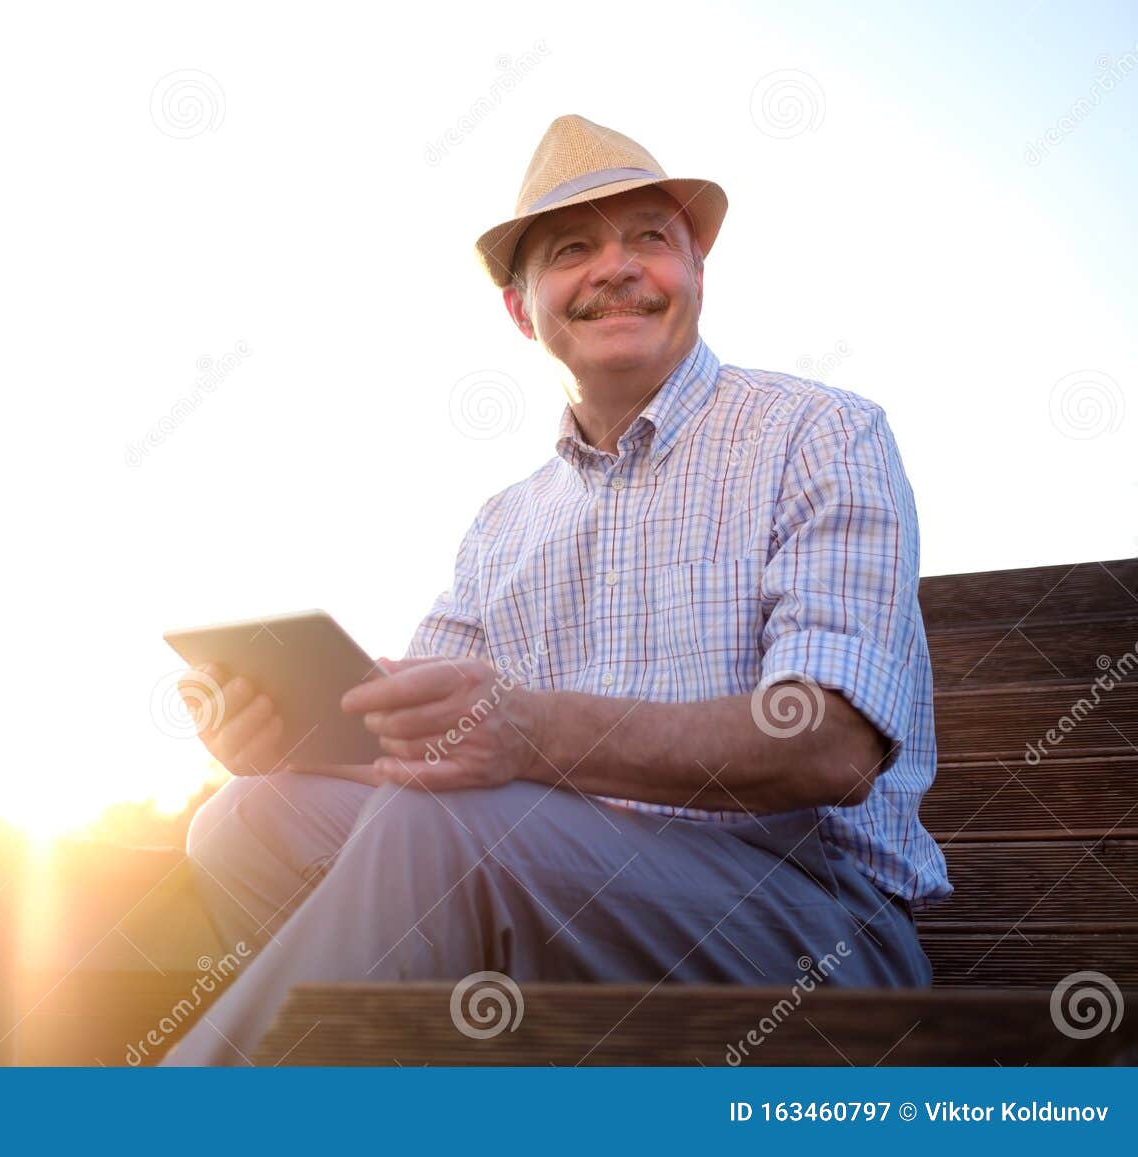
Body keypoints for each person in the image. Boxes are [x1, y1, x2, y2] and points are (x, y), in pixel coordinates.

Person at [159, 114, 951, 1066]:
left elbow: (831, 741)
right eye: (572, 249)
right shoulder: (504, 523)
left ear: (696, 270)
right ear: (521, 309)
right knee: (247, 819)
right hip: (557, 907)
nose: (616, 267)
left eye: (650, 238)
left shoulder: (820, 433)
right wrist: (290, 739)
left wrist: (530, 731)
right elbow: (427, 744)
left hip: (812, 928)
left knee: (446, 825)